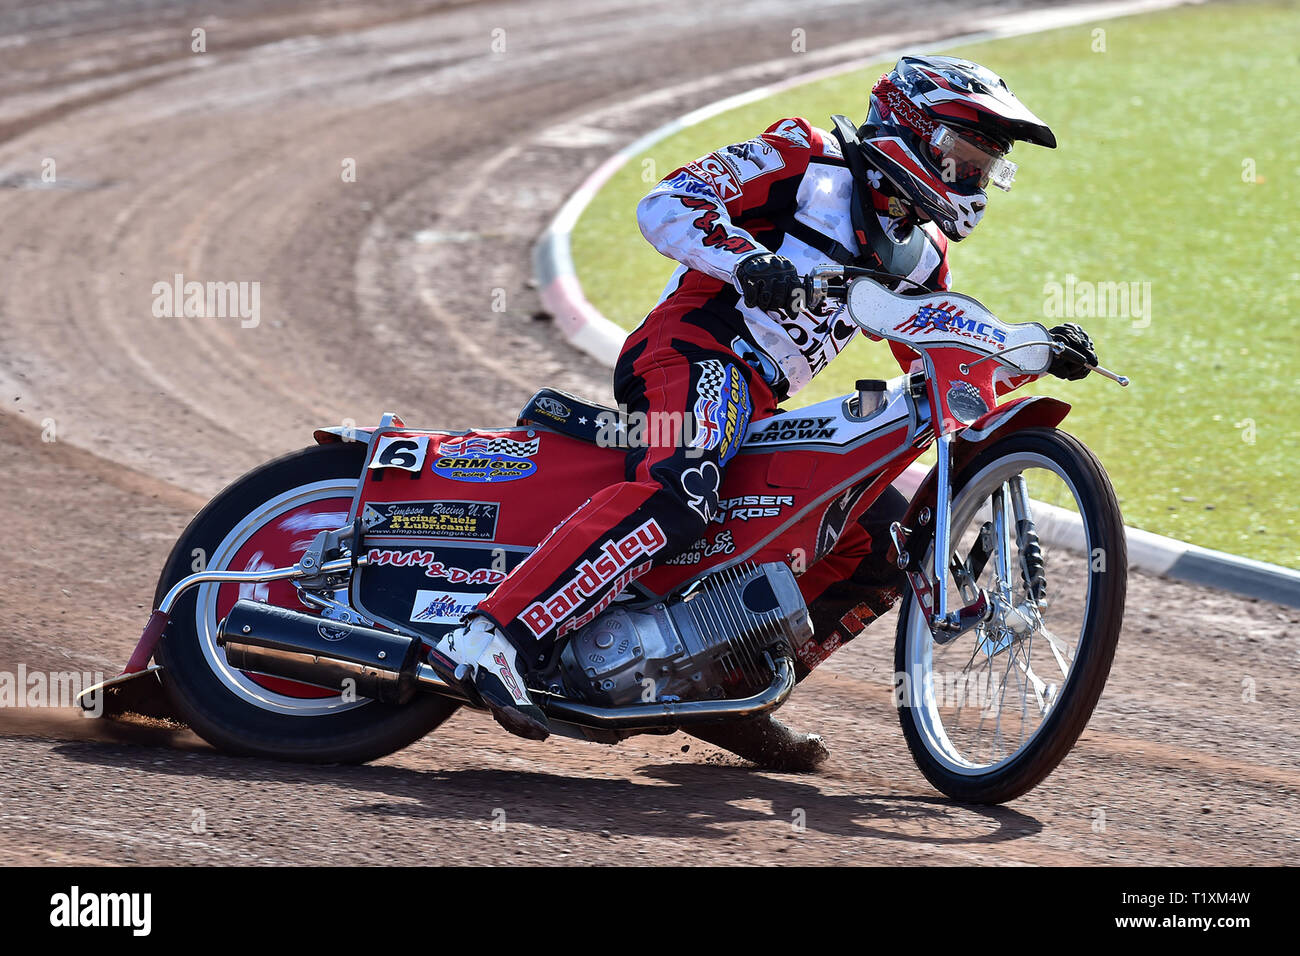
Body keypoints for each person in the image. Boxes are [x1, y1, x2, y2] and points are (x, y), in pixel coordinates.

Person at [429, 54, 1098, 760]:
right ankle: (495, 634)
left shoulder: (923, 253)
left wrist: (1030, 353)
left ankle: (728, 691)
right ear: (910, 126)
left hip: (762, 400)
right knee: (683, 488)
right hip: (692, 352)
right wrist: (746, 260)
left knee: (880, 541)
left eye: (986, 166)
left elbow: (932, 358)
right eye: (965, 155)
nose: (973, 178)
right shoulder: (806, 155)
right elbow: (668, 202)